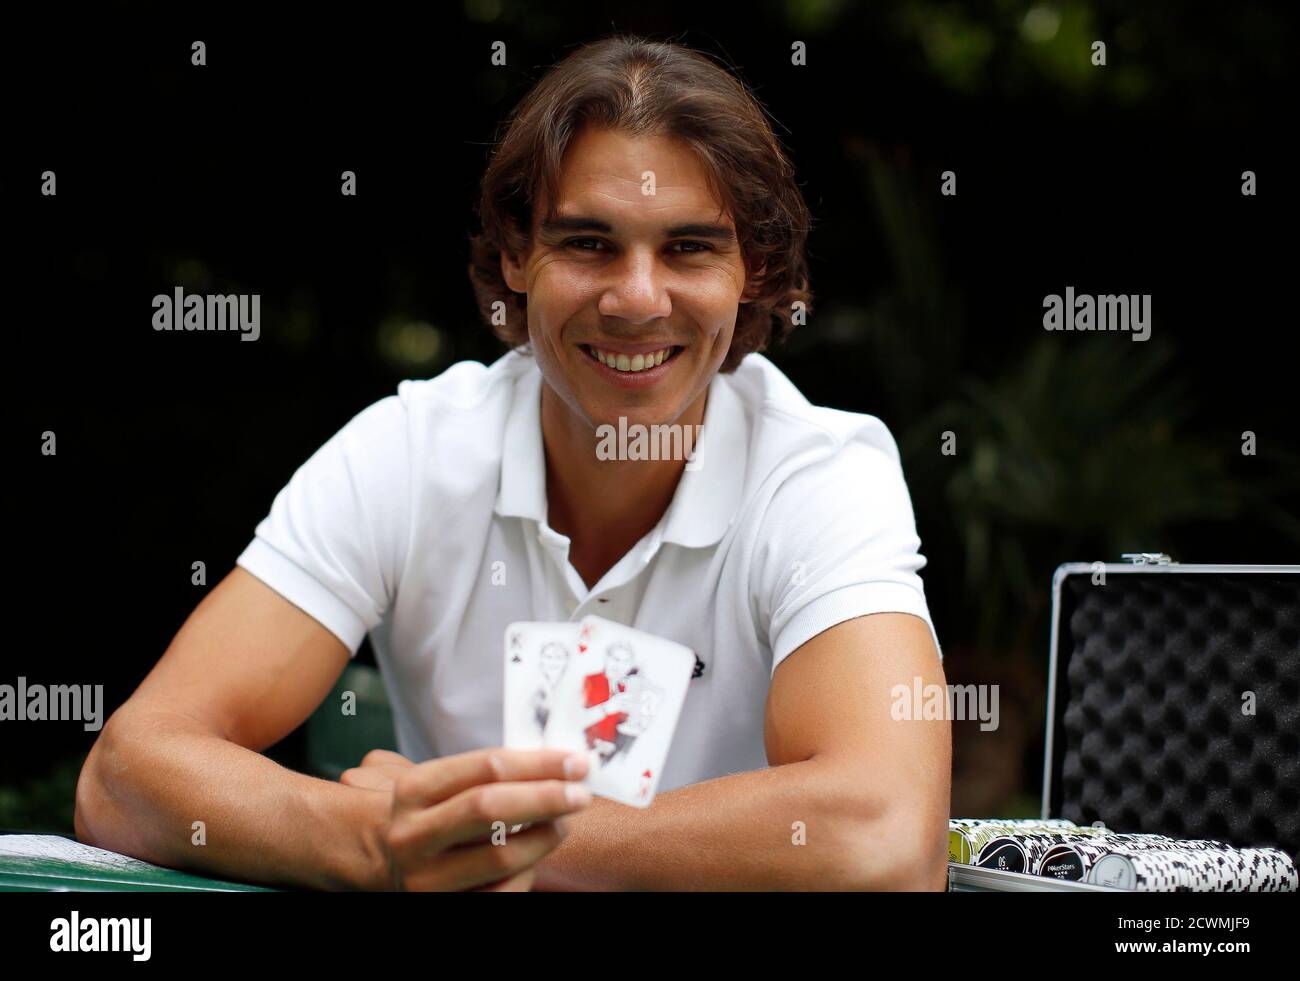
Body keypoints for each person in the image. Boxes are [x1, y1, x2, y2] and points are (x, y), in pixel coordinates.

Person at [75, 34, 951, 891]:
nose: (637, 299)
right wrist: (366, 838)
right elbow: (126, 773)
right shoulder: (412, 449)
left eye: (688, 246)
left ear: (753, 270)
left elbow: (883, 834)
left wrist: (477, 834)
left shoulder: (822, 476)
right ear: (513, 256)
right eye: (588, 243)